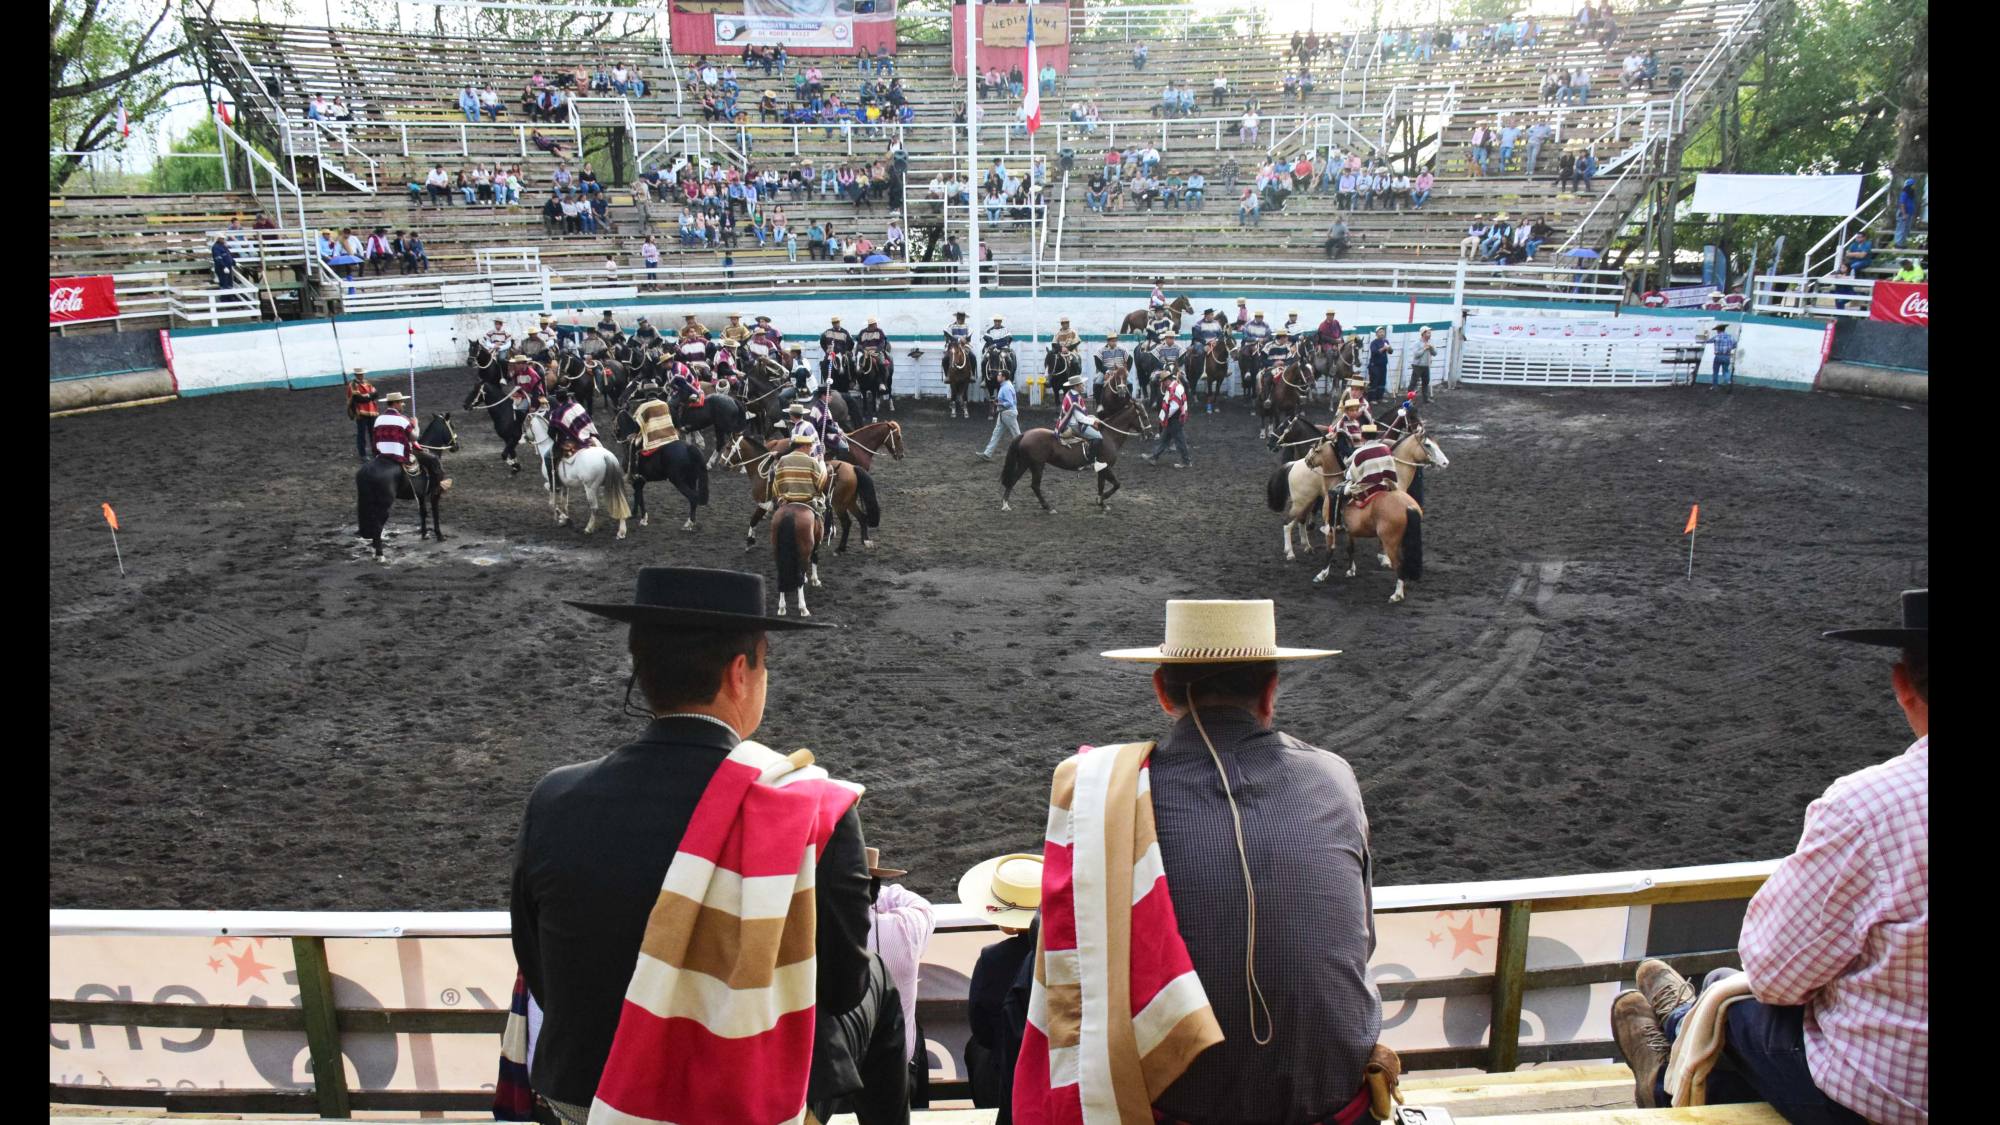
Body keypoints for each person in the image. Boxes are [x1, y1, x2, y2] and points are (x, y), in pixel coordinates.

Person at [513, 567, 913, 1125]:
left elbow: (539, 972)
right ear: (739, 672)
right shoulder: (811, 809)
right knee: (878, 981)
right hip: (738, 1103)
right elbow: (843, 988)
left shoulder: (554, 798)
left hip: (587, 1097)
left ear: (640, 666)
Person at [1012, 599, 1377, 1124]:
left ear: (1163, 692)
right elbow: (1362, 941)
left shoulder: (1105, 798)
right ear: (1270, 692)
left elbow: (1071, 952)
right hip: (1333, 1105)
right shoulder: (1334, 778)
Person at [1613, 589, 1927, 1125]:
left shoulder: (1868, 808)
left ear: (1902, 685)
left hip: (1886, 1104)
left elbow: (1775, 975)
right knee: (1734, 1000)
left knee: (1731, 1001)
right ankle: (1681, 1031)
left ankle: (1674, 1047)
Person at [962, 854, 1042, 1123]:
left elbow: (981, 1029)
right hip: (1055, 1067)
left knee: (976, 1048)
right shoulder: (1065, 952)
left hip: (1004, 1074)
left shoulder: (992, 959)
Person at [865, 848, 935, 1095]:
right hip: (896, 1068)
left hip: (840, 1070)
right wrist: (878, 891)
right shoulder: (906, 927)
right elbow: (922, 906)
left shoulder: (818, 931)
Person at [1145, 367, 1192, 468]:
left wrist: (1164, 417)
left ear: (1166, 380)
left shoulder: (1173, 389)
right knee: (1164, 439)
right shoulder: (1177, 386)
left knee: (1179, 440)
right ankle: (1154, 457)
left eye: (1163, 382)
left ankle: (1186, 461)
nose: (1162, 384)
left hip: (1174, 419)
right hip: (1175, 418)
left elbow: (1174, 406)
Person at [977, 365, 1020, 463]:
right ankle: (987, 454)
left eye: (999, 375)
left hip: (1008, 414)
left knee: (1017, 436)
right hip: (1003, 414)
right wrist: (998, 401)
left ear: (1004, 377)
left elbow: (1009, 403)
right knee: (996, 434)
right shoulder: (1006, 386)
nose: (997, 376)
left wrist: (998, 404)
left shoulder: (1006, 388)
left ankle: (1026, 455)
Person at [369, 391, 418, 465]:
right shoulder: (403, 419)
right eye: (401, 402)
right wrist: (416, 425)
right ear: (395, 403)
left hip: (380, 456)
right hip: (398, 457)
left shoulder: (378, 419)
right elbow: (414, 437)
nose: (403, 404)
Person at [344, 368, 379, 460]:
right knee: (362, 434)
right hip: (361, 412)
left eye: (361, 374)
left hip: (368, 411)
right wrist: (370, 396)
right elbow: (359, 398)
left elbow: (375, 394)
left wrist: (366, 396)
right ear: (356, 375)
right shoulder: (353, 385)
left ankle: (374, 451)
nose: (361, 376)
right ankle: (363, 454)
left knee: (372, 432)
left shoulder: (365, 383)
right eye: (359, 374)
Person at [820, 315, 855, 387]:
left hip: (842, 354)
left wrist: (847, 351)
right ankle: (826, 381)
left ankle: (852, 381)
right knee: (823, 364)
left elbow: (851, 343)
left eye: (837, 322)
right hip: (831, 353)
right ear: (832, 323)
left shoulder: (845, 332)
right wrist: (826, 350)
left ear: (839, 322)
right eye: (834, 323)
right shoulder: (827, 332)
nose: (835, 324)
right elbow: (822, 341)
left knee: (851, 362)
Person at [1409, 326, 1438, 403]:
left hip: (1426, 365)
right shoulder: (1417, 343)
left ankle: (1426, 399)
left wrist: (1431, 348)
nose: (1430, 334)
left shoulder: (1431, 342)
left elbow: (1435, 353)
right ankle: (1409, 399)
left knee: (1426, 382)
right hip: (1417, 366)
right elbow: (1416, 355)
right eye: (1428, 333)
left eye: (1430, 333)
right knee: (1413, 383)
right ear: (1423, 334)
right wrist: (1424, 348)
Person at [1706, 323, 1737, 390]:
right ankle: (1728, 381)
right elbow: (1735, 345)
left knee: (1715, 372)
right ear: (1724, 329)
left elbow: (1708, 341)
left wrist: (1706, 336)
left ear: (1718, 330)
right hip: (1727, 356)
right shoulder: (1730, 337)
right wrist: (1729, 348)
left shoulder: (1717, 337)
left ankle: (1715, 386)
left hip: (1718, 356)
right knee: (1726, 371)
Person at [1366, 325, 1394, 401]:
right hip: (1374, 365)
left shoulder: (1386, 341)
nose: (1382, 333)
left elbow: (1391, 352)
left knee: (1382, 381)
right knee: (1374, 381)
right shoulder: (1373, 343)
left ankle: (1380, 397)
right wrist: (1384, 348)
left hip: (1383, 365)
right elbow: (1375, 352)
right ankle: (1372, 399)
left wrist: (1389, 348)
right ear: (1376, 334)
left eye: (1383, 332)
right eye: (1380, 332)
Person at [1893, 177, 1920, 247]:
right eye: (1912, 185)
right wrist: (1904, 214)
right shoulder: (1904, 193)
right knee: (1901, 229)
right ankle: (1898, 244)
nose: (1914, 187)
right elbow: (1902, 204)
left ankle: (1902, 244)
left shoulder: (1911, 194)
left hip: (1909, 214)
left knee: (1906, 230)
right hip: (1903, 213)